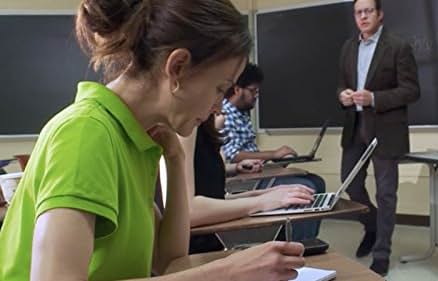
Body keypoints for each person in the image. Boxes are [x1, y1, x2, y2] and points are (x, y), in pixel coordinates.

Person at [0, 1, 306, 280]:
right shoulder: (86, 133)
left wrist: (176, 161)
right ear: (177, 68)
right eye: (219, 88)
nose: (217, 107)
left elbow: (167, 261)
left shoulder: (134, 138)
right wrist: (227, 272)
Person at [337, 0, 420, 276]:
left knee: (386, 193)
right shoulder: (349, 47)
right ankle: (371, 224)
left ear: (379, 14)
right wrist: (342, 95)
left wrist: (375, 98)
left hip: (386, 129)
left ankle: (382, 252)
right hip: (355, 125)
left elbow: (411, 90)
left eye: (368, 11)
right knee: (350, 184)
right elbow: (341, 83)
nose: (362, 16)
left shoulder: (397, 46)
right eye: (358, 12)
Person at [180, 114, 315, 253]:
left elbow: (213, 197)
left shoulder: (203, 129)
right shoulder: (186, 128)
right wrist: (261, 201)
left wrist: (261, 194)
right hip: (199, 249)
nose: (221, 108)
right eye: (219, 92)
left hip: (212, 241)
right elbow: (189, 211)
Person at [221, 63, 326, 239]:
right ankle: (300, 244)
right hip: (242, 180)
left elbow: (248, 150)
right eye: (253, 91)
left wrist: (276, 161)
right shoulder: (225, 113)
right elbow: (233, 155)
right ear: (237, 89)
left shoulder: (242, 112)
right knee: (306, 188)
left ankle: (309, 239)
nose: (256, 96)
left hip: (255, 171)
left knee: (317, 181)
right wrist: (273, 154)